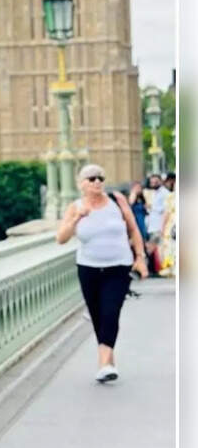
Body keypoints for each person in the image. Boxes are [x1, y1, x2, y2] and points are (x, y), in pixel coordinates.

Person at [56, 164, 148, 383]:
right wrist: (77, 218)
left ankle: (104, 363)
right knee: (98, 316)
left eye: (100, 178)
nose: (97, 182)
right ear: (81, 184)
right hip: (88, 268)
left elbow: (133, 229)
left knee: (110, 311)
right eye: (91, 178)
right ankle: (109, 362)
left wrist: (140, 257)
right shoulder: (75, 207)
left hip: (119, 266)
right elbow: (61, 238)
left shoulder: (117, 200)